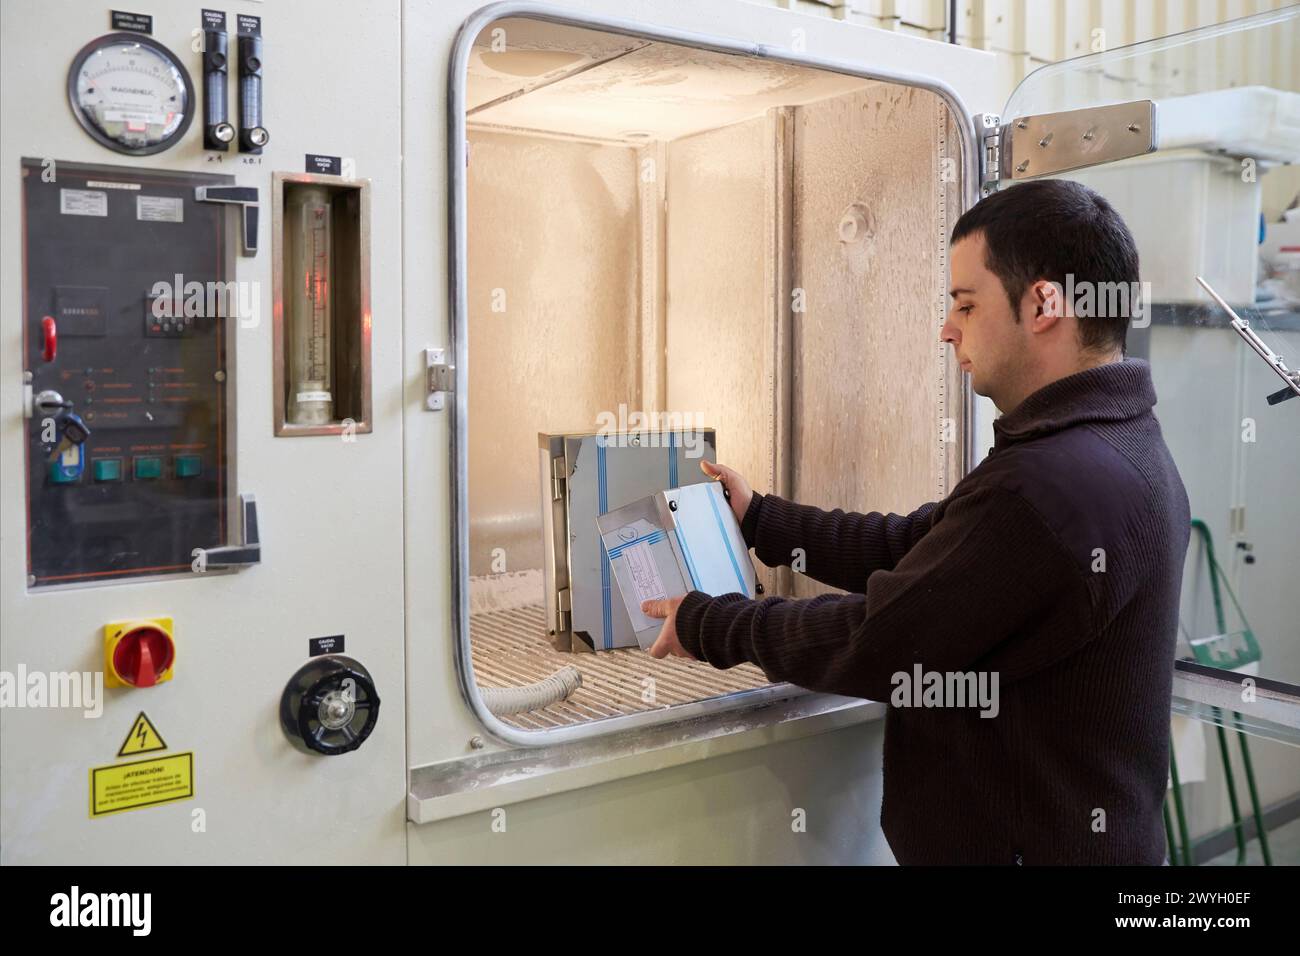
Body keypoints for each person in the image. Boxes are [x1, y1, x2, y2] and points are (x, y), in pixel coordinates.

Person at [642, 178, 1190, 865]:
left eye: (967, 303)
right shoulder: (1114, 444)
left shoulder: (1054, 485)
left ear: (1045, 304)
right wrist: (762, 520)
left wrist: (708, 623)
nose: (947, 328)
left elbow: (881, 637)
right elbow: (923, 547)